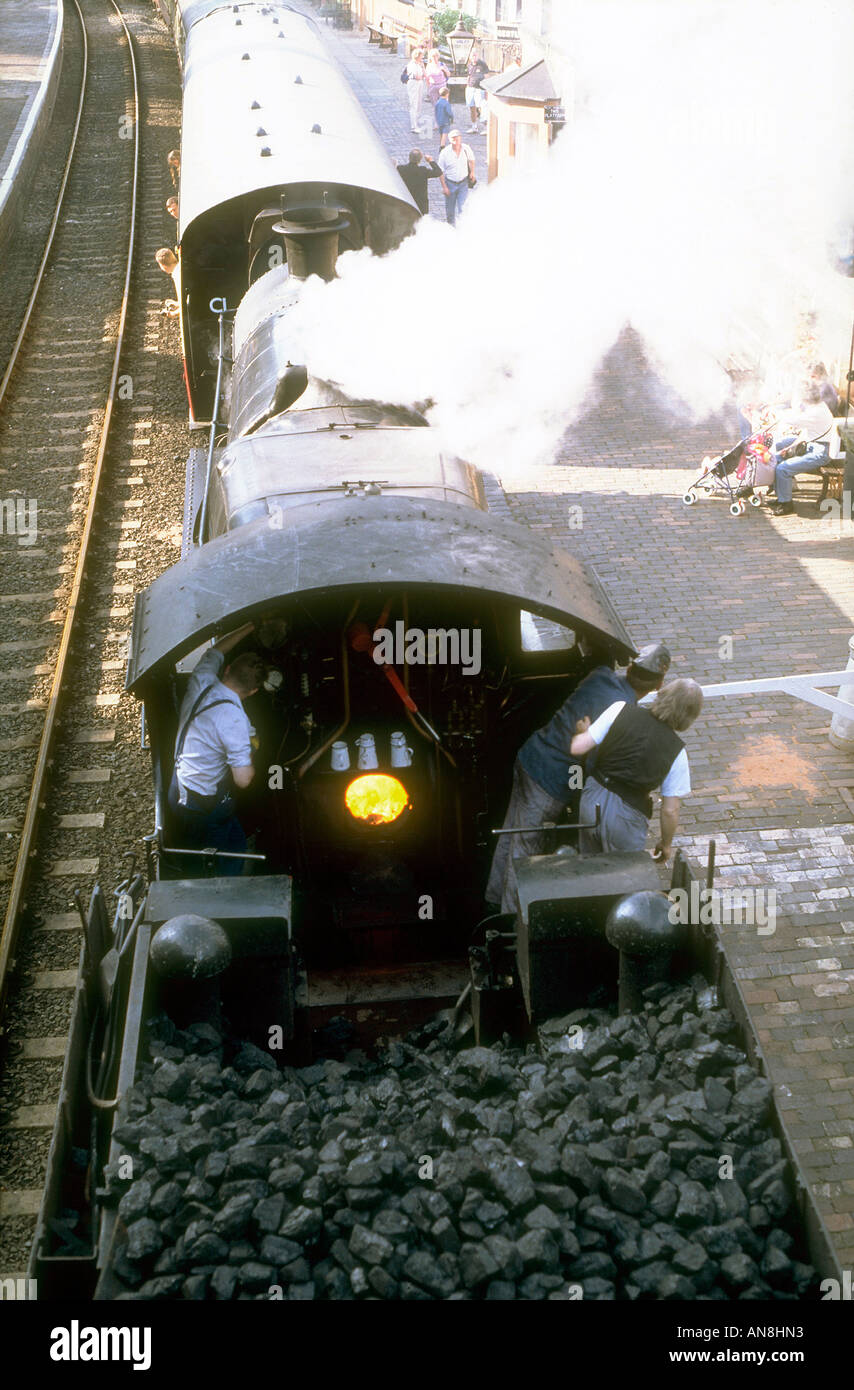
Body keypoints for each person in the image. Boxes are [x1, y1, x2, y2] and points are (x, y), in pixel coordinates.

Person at [485, 641, 672, 912]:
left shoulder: (600, 675)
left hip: (531, 754)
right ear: (658, 684)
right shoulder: (624, 712)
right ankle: (510, 921)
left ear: (630, 666)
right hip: (548, 781)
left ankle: (493, 898)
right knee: (524, 851)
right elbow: (595, 760)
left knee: (511, 833)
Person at [167, 623, 265, 875]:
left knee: (235, 840)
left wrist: (249, 626)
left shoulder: (202, 678)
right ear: (254, 691)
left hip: (180, 783)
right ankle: (219, 885)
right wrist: (252, 751)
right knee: (217, 857)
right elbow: (243, 780)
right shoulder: (234, 720)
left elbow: (215, 651)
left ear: (228, 669)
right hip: (203, 803)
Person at [570, 677, 704, 862]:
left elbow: (578, 748)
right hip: (627, 815)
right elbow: (670, 810)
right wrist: (666, 844)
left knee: (589, 864)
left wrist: (583, 731)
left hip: (592, 799)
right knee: (625, 876)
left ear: (662, 694)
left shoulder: (619, 709)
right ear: (690, 716)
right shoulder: (677, 752)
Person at [767, 382, 835, 516]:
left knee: (783, 468)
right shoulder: (817, 406)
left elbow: (791, 420)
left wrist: (774, 410)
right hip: (814, 443)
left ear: (804, 397)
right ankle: (781, 496)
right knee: (779, 451)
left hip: (820, 452)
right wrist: (791, 446)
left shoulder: (815, 412)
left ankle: (786, 504)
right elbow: (807, 431)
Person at [438, 129, 476, 226]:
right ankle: (451, 229)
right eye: (453, 138)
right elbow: (440, 171)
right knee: (450, 211)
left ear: (460, 138)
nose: (455, 140)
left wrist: (472, 172)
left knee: (462, 209)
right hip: (450, 184)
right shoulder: (445, 153)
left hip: (463, 183)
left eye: (457, 137)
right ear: (449, 140)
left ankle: (461, 229)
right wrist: (444, 187)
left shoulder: (466, 149)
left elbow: (472, 160)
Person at [397, 148, 442, 216]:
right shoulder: (423, 171)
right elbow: (438, 172)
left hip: (407, 202)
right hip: (421, 204)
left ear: (409, 158)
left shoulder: (401, 169)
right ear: (420, 160)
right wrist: (431, 161)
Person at [424, 49, 450, 125]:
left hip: (442, 86)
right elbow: (427, 78)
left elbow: (448, 74)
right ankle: (437, 122)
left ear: (438, 57)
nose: (435, 58)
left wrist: (444, 70)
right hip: (433, 87)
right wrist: (428, 88)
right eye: (433, 56)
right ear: (430, 57)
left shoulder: (442, 64)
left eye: (436, 56)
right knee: (435, 106)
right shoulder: (429, 66)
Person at [405, 48, 426, 135]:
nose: (422, 57)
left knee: (418, 104)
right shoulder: (412, 65)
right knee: (414, 104)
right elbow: (416, 76)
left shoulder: (419, 64)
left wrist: (423, 66)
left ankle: (416, 122)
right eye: (421, 56)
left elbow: (424, 74)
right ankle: (414, 126)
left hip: (419, 83)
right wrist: (422, 77)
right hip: (413, 83)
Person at [465, 56, 489, 134]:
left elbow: (487, 77)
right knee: (472, 108)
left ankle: (486, 128)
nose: (474, 57)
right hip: (470, 88)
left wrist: (486, 90)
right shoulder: (469, 65)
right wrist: (467, 86)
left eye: (475, 55)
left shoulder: (482, 64)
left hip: (479, 89)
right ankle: (474, 127)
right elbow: (468, 76)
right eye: (472, 55)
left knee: (481, 108)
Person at [155, 247, 180, 317]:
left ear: (162, 266)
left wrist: (173, 314)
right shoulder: (181, 267)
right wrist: (177, 304)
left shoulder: (178, 276)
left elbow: (188, 303)